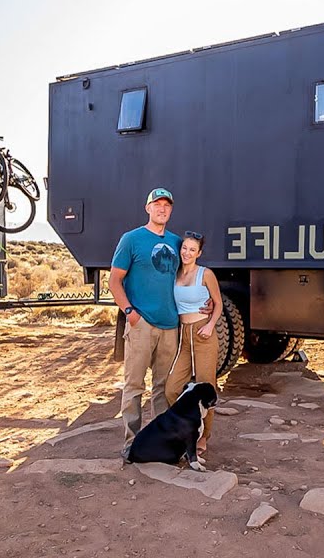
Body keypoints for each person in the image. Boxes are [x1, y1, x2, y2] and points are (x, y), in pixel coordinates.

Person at [110, 187, 182, 456]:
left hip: (169, 325)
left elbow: (184, 280)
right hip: (141, 324)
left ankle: (159, 442)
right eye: (157, 204)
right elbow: (114, 281)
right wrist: (130, 312)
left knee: (163, 388)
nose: (162, 209)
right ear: (147, 208)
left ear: (171, 210)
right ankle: (131, 443)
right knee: (134, 385)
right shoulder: (132, 239)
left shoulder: (176, 243)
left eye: (167, 205)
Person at [164, 230, 223, 458]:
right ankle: (183, 427)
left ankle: (203, 436)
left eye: (192, 249)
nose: (187, 253)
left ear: (199, 253)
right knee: (172, 387)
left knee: (206, 386)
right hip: (183, 335)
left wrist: (210, 325)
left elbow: (217, 304)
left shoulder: (205, 274)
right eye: (184, 248)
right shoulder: (175, 273)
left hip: (203, 333)